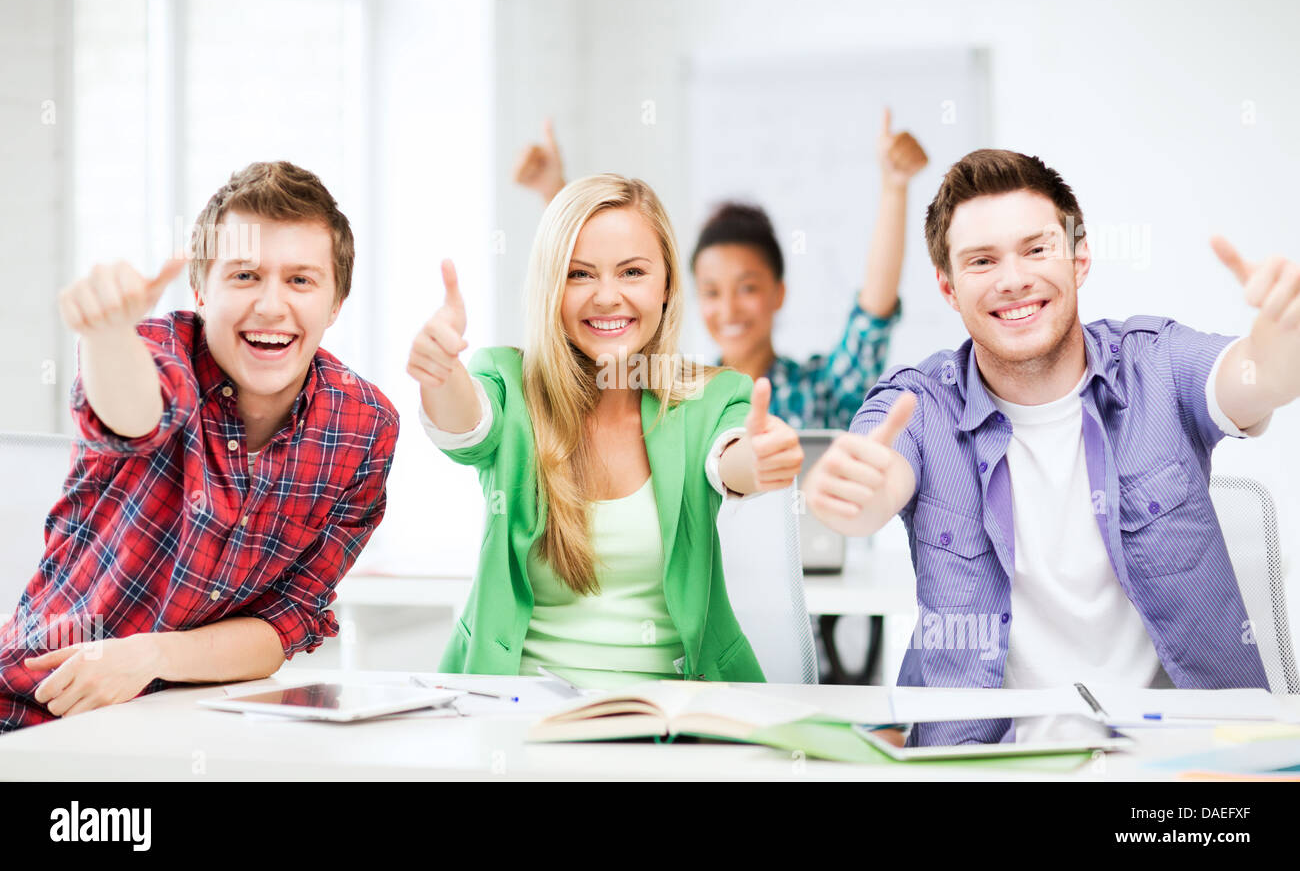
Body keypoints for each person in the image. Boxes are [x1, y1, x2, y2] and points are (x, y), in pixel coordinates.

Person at [804, 149, 1293, 745]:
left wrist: (1281, 346)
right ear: (948, 287)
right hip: (988, 767)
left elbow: (1256, 376)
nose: (1014, 279)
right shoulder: (921, 404)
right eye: (981, 261)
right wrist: (853, 495)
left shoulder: (1156, 364)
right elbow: (876, 482)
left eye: (1036, 249)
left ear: (1078, 255)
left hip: (1176, 768)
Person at [0, 161, 399, 731]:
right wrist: (108, 334)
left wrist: (150, 655)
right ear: (201, 292)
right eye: (244, 276)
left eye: (300, 280)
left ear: (335, 303)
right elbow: (134, 415)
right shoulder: (159, 352)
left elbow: (285, 624)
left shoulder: (364, 427)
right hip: (32, 706)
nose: (270, 304)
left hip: (193, 721)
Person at [409, 174, 803, 680]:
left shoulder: (711, 397)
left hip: (673, 723)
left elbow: (730, 459)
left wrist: (762, 459)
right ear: (552, 287)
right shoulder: (508, 382)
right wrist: (441, 372)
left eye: (632, 272)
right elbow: (467, 424)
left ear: (666, 287)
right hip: (515, 717)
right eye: (579, 274)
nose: (606, 297)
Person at [513, 110, 929, 429]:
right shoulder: (675, 393)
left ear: (778, 293)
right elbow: (596, 336)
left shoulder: (820, 391)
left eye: (747, 287)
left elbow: (872, 316)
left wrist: (895, 187)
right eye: (711, 291)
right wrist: (555, 192)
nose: (728, 309)